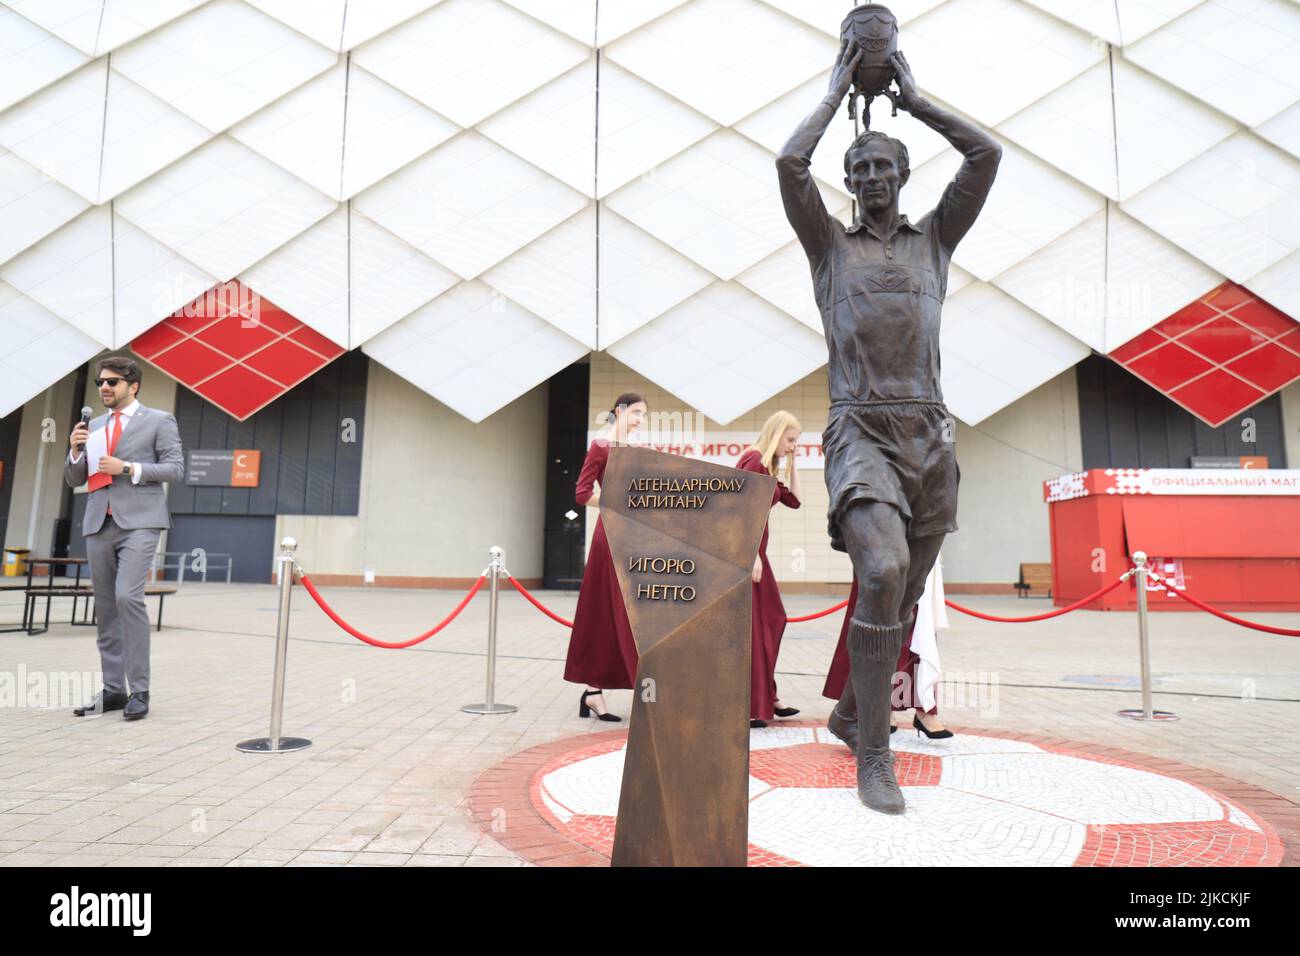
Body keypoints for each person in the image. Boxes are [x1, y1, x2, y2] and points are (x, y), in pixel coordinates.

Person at [777, 44, 1000, 814]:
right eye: (860, 170)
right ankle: (876, 753)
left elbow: (985, 152)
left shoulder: (933, 241)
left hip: (929, 439)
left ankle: (848, 714)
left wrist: (914, 97)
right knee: (880, 573)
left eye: (884, 168)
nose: (872, 179)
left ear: (902, 177)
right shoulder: (829, 249)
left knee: (900, 602)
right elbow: (788, 164)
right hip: (859, 432)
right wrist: (839, 89)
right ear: (851, 183)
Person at [65, 356, 184, 720]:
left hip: (141, 521)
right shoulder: (93, 425)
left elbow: (175, 469)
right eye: (101, 381)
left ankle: (141, 690)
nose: (104, 387)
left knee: (126, 596)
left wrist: (129, 468)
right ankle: (114, 690)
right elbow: (74, 479)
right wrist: (74, 450)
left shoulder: (159, 421)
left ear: (133, 386)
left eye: (113, 382)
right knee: (105, 607)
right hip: (99, 521)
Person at [564, 393, 648, 721]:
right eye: (637, 413)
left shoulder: (635, 451)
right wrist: (618, 501)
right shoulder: (601, 447)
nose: (641, 419)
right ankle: (594, 692)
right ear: (620, 411)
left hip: (633, 538)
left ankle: (603, 690)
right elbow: (583, 493)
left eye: (644, 415)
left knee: (631, 616)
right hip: (610, 537)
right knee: (602, 613)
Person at [823, 555, 953, 743]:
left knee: (917, 624)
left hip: (916, 540)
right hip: (876, 552)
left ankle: (925, 708)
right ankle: (885, 708)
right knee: (879, 624)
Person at [735, 411, 803, 728]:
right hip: (747, 555)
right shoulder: (754, 461)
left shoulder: (768, 466)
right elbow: (740, 511)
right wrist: (752, 556)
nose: (793, 446)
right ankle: (752, 701)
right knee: (758, 625)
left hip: (755, 554)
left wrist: (792, 462)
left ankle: (766, 695)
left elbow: (795, 501)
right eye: (790, 440)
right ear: (776, 434)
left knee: (771, 621)